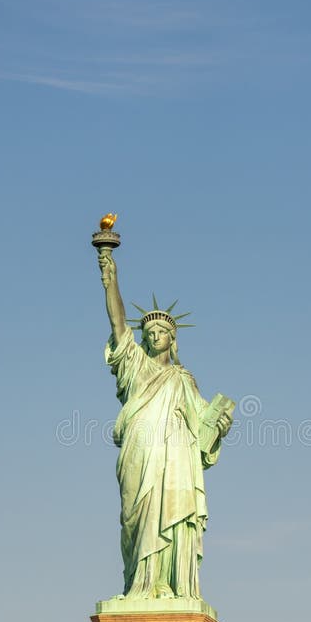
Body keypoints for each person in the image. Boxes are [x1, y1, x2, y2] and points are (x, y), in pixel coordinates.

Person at [97, 246, 233, 600]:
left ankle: (165, 583)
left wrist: (221, 420)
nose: (155, 335)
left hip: (174, 460)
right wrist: (109, 278)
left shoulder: (182, 379)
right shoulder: (135, 366)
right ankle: (138, 584)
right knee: (136, 515)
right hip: (139, 452)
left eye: (162, 332)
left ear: (173, 339)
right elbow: (117, 322)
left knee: (170, 513)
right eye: (149, 331)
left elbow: (204, 422)